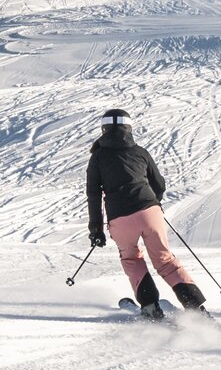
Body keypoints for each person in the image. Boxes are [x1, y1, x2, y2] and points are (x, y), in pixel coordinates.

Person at [84, 107, 205, 319]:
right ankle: (197, 310)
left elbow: (93, 194)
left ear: (103, 129)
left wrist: (96, 229)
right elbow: (159, 184)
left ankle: (150, 308)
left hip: (121, 219)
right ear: (128, 127)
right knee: (166, 261)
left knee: (132, 259)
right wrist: (153, 205)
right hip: (150, 212)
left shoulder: (98, 157)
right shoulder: (140, 152)